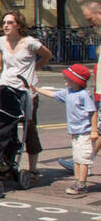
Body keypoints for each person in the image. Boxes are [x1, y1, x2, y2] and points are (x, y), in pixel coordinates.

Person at [0, 10, 52, 181]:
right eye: (4, 23)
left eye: (9, 22)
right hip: (6, 91)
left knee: (29, 130)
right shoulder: (0, 42)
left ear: (19, 25)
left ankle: (33, 169)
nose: (5, 26)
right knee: (5, 129)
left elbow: (47, 55)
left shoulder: (30, 43)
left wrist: (34, 70)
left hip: (26, 93)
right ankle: (7, 164)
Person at [23, 63, 97, 195]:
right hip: (74, 132)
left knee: (83, 159)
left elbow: (93, 112)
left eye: (67, 78)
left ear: (76, 80)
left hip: (84, 132)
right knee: (76, 158)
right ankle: (77, 180)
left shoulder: (84, 95)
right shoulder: (68, 92)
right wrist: (36, 89)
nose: (65, 80)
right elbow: (52, 94)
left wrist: (93, 130)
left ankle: (82, 183)